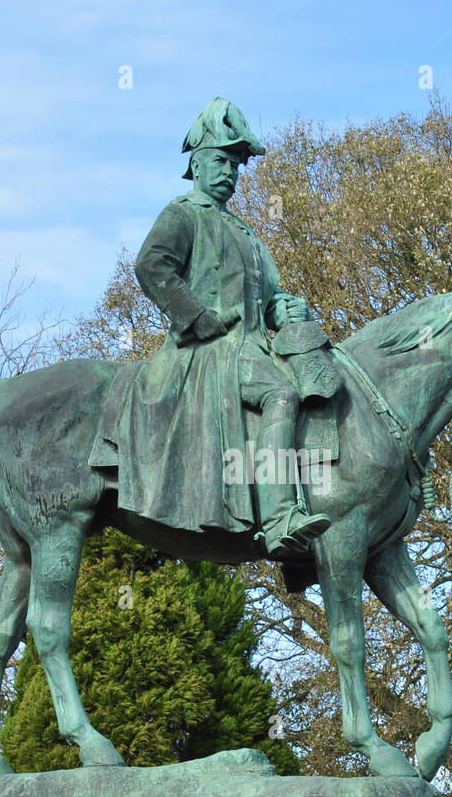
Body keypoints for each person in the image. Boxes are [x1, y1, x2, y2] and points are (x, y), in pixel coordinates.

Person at [103, 97, 331, 556]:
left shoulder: (248, 234)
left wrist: (283, 310)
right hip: (209, 352)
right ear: (199, 165)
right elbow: (152, 268)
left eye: (236, 166)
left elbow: (268, 298)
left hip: (251, 348)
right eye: (221, 162)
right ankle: (281, 515)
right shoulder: (183, 214)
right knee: (281, 393)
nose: (230, 172)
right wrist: (198, 317)